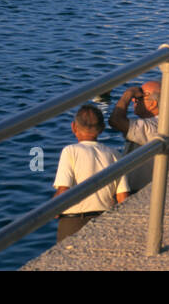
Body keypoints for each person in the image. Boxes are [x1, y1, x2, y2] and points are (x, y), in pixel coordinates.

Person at [53, 104, 126, 242]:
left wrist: (52, 210)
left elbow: (63, 190)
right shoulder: (115, 154)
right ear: (102, 129)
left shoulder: (70, 151)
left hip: (73, 222)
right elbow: (123, 197)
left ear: (73, 127)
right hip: (103, 219)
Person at [109, 80, 161, 193]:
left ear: (153, 104)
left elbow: (115, 121)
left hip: (142, 191)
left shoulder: (152, 127)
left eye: (139, 97)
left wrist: (128, 93)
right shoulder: (163, 123)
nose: (133, 99)